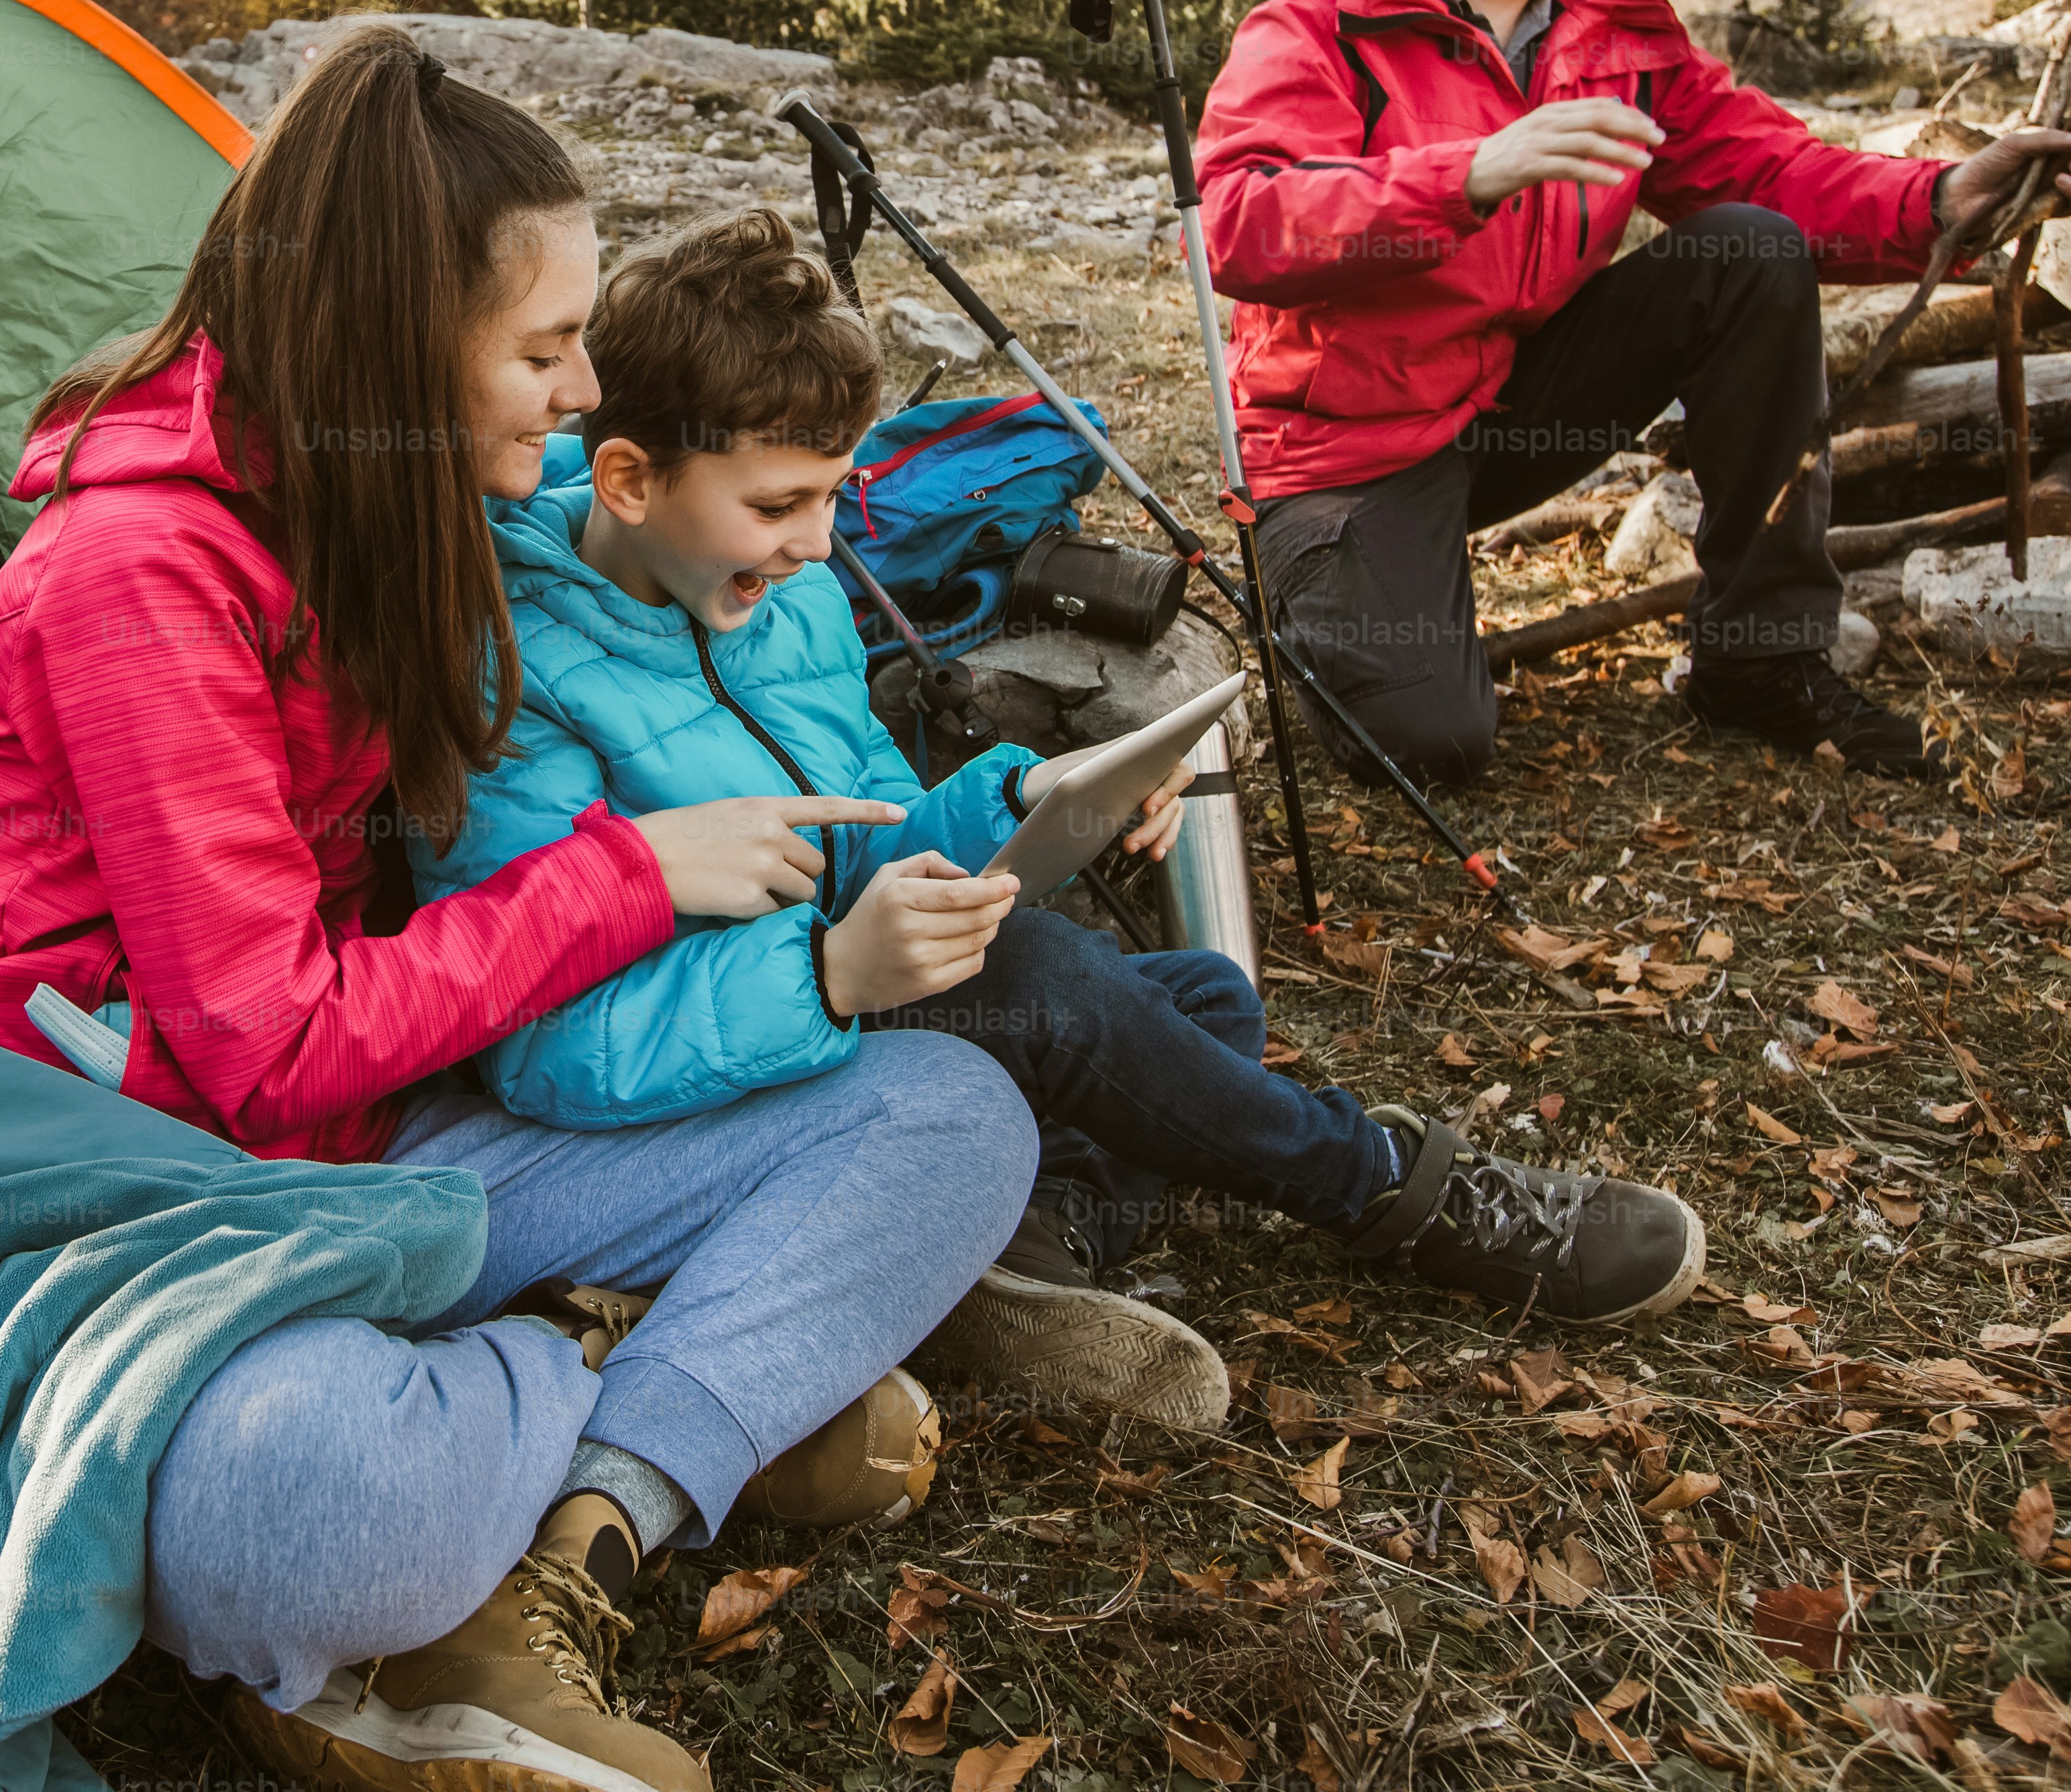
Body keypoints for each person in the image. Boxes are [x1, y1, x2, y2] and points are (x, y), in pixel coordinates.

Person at [0, 30, 1037, 1792]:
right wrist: (632, 878)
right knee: (317, 1513)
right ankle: (639, 1366)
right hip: (128, 1220)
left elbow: (667, 545)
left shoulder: (378, 510)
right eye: (546, 349)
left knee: (948, 1116)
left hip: (363, 1171)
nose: (580, 397)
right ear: (396, 350)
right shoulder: (136, 587)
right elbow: (262, 1051)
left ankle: (585, 1515)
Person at [415, 210, 1712, 1438]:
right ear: (631, 478)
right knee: (1045, 984)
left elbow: (865, 821)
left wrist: (1025, 799)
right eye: (778, 506)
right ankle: (1389, 1188)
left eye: (831, 498)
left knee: (1201, 999)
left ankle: (1026, 1252)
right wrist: (826, 975)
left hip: (842, 998)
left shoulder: (781, 602)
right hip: (683, 1098)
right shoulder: (510, 674)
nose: (819, 546)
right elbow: (540, 1043)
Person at [1198, 0, 2071, 784]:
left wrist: (1944, 201)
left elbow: (1770, 170)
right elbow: (1239, 222)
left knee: (1750, 251)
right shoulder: (1318, 28)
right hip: (1348, 452)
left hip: (1511, 402)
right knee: (1429, 745)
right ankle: (1330, 594)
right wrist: (1467, 175)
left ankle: (1759, 662)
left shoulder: (1615, 29)